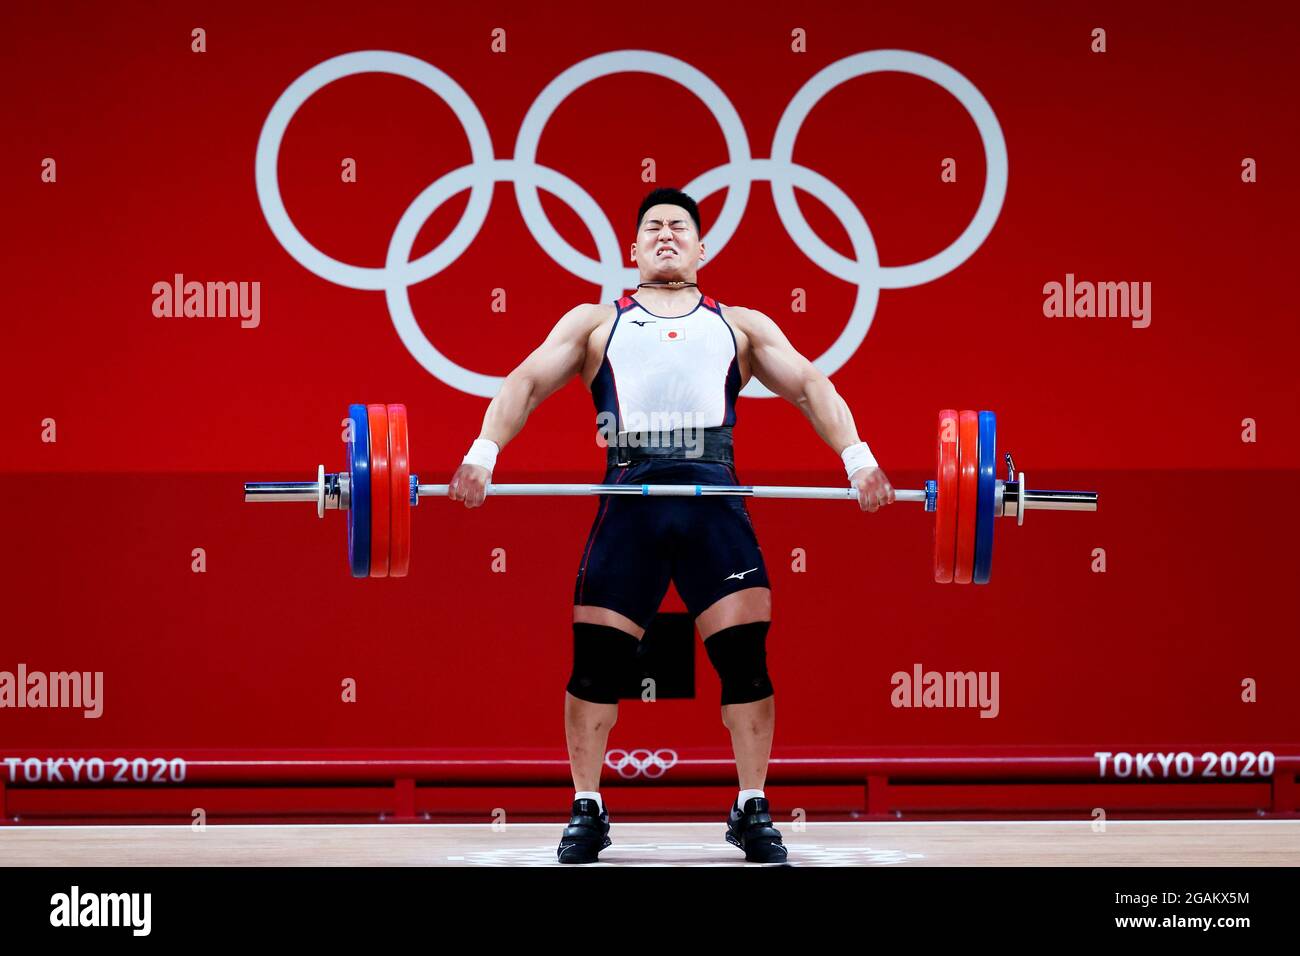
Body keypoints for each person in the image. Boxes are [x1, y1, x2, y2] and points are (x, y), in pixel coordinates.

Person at [448, 187, 895, 863]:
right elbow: (526, 382)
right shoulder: (596, 323)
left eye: (678, 227)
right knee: (596, 669)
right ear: (632, 249)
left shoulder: (738, 325)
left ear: (701, 247)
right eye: (652, 226)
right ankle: (587, 807)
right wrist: (482, 453)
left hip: (715, 499)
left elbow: (808, 385)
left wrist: (858, 461)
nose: (665, 234)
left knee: (745, 663)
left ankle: (751, 806)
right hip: (628, 499)